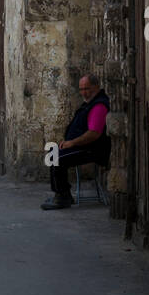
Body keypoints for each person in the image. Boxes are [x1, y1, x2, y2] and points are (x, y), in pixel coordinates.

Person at [41, 74, 110, 210]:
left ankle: (62, 198)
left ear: (96, 87)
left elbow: (94, 134)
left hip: (91, 149)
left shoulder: (99, 105)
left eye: (87, 89)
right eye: (81, 89)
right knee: (53, 152)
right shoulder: (90, 103)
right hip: (82, 146)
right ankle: (61, 194)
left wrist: (72, 143)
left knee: (56, 158)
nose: (83, 92)